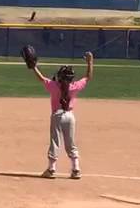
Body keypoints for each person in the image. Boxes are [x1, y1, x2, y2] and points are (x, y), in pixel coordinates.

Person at [31, 52, 93, 180]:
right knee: (70, 143)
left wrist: (33, 67)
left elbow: (41, 78)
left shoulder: (54, 86)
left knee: (55, 142)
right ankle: (76, 169)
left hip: (57, 116)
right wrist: (90, 62)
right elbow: (88, 77)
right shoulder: (74, 87)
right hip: (70, 116)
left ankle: (51, 169)